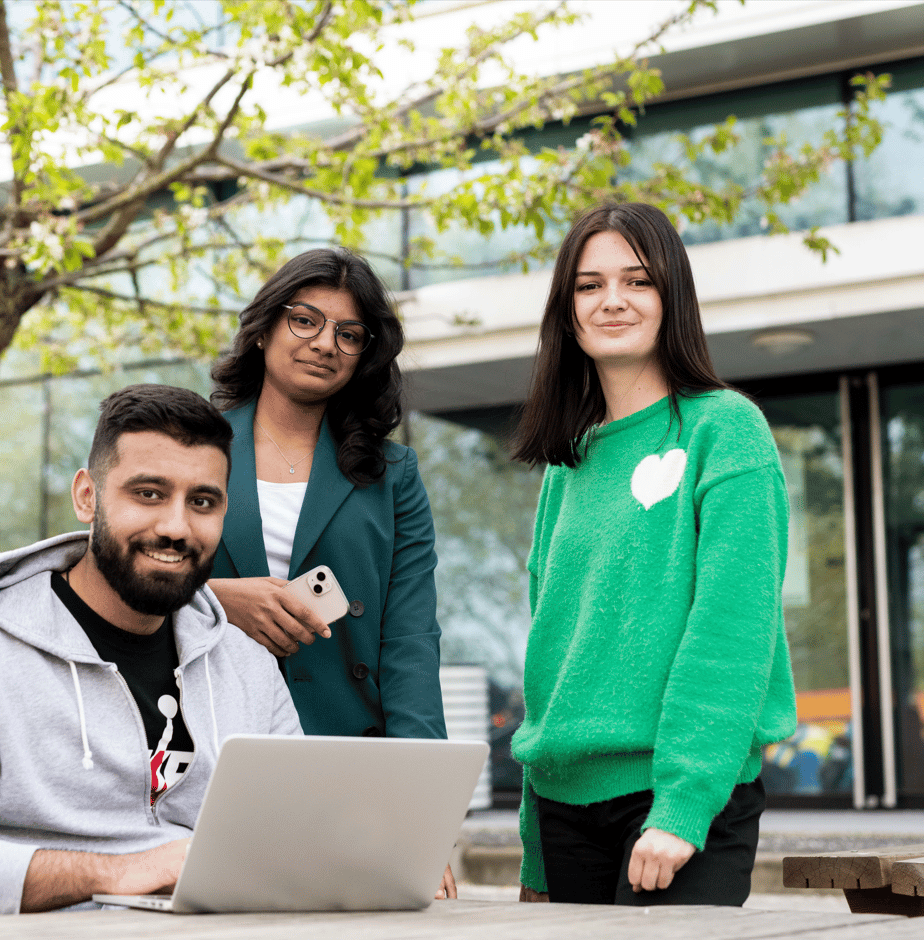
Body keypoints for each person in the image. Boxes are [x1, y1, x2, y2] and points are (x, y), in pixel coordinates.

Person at [0, 384, 302, 918]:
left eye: (202, 502)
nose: (176, 527)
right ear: (87, 497)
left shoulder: (248, 665)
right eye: (149, 493)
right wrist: (116, 874)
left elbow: (290, 838)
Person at [508, 203, 797, 907]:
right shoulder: (566, 464)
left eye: (637, 281)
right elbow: (551, 656)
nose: (612, 301)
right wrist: (533, 847)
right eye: (588, 285)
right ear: (566, 310)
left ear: (672, 297)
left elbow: (732, 632)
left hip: (679, 799)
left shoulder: (726, 431)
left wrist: (683, 805)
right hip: (564, 807)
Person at [207, 247, 447, 743]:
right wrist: (214, 599)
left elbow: (409, 637)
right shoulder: (194, 448)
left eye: (349, 334)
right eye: (304, 321)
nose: (324, 344)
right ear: (262, 329)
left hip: (343, 737)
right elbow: (119, 577)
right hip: (209, 730)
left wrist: (420, 769)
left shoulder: (392, 475)